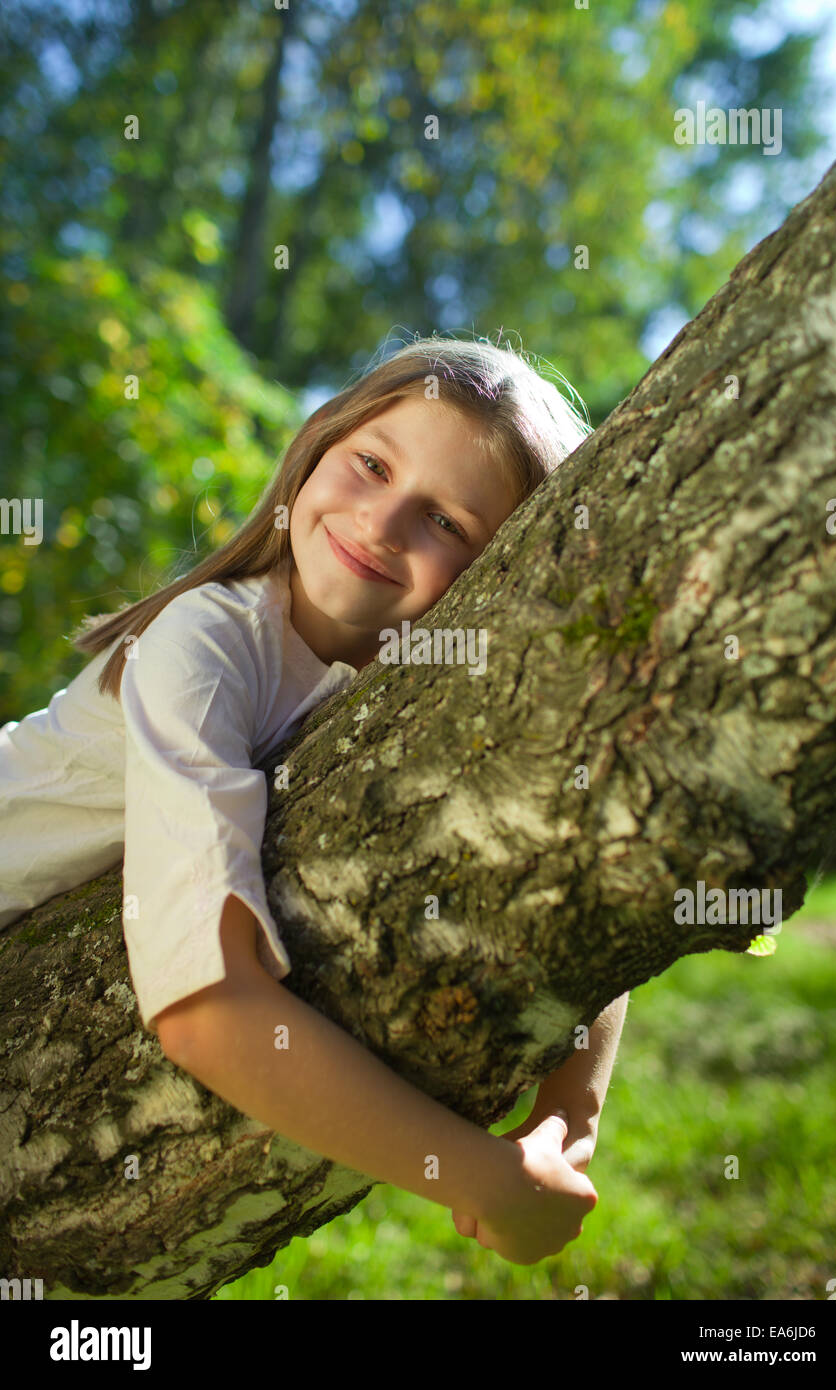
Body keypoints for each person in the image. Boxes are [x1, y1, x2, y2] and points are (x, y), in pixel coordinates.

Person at [0, 332, 626, 1266]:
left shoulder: (423, 676)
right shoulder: (207, 647)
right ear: (317, 446)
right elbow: (205, 1008)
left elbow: (593, 859)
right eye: (371, 465)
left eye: (447, 523)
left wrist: (563, 1130)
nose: (381, 526)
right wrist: (475, 1175)